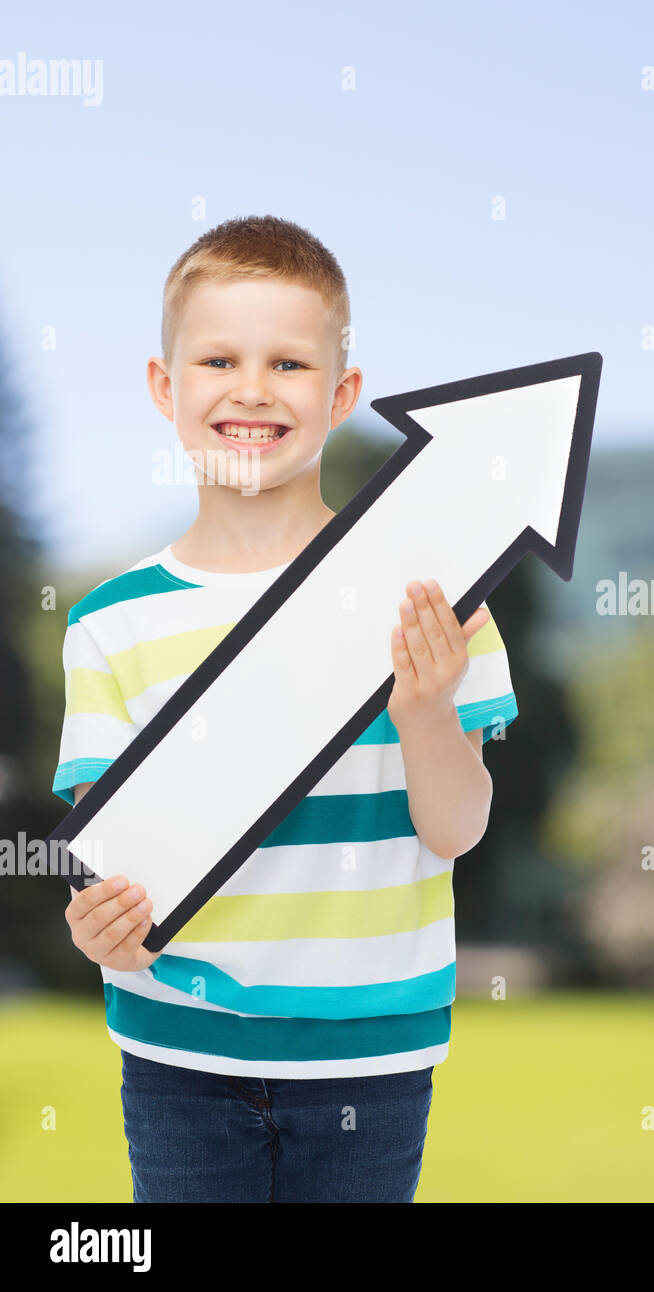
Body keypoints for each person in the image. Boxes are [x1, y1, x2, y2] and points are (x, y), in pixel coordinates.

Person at [52, 214, 518, 1202]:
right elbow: (110, 864)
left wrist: (428, 712)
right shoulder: (109, 625)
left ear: (342, 394)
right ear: (163, 387)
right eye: (218, 358)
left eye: (290, 363)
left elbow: (458, 827)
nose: (253, 388)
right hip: (176, 1051)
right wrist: (101, 925)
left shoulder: (434, 595)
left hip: (372, 1054)